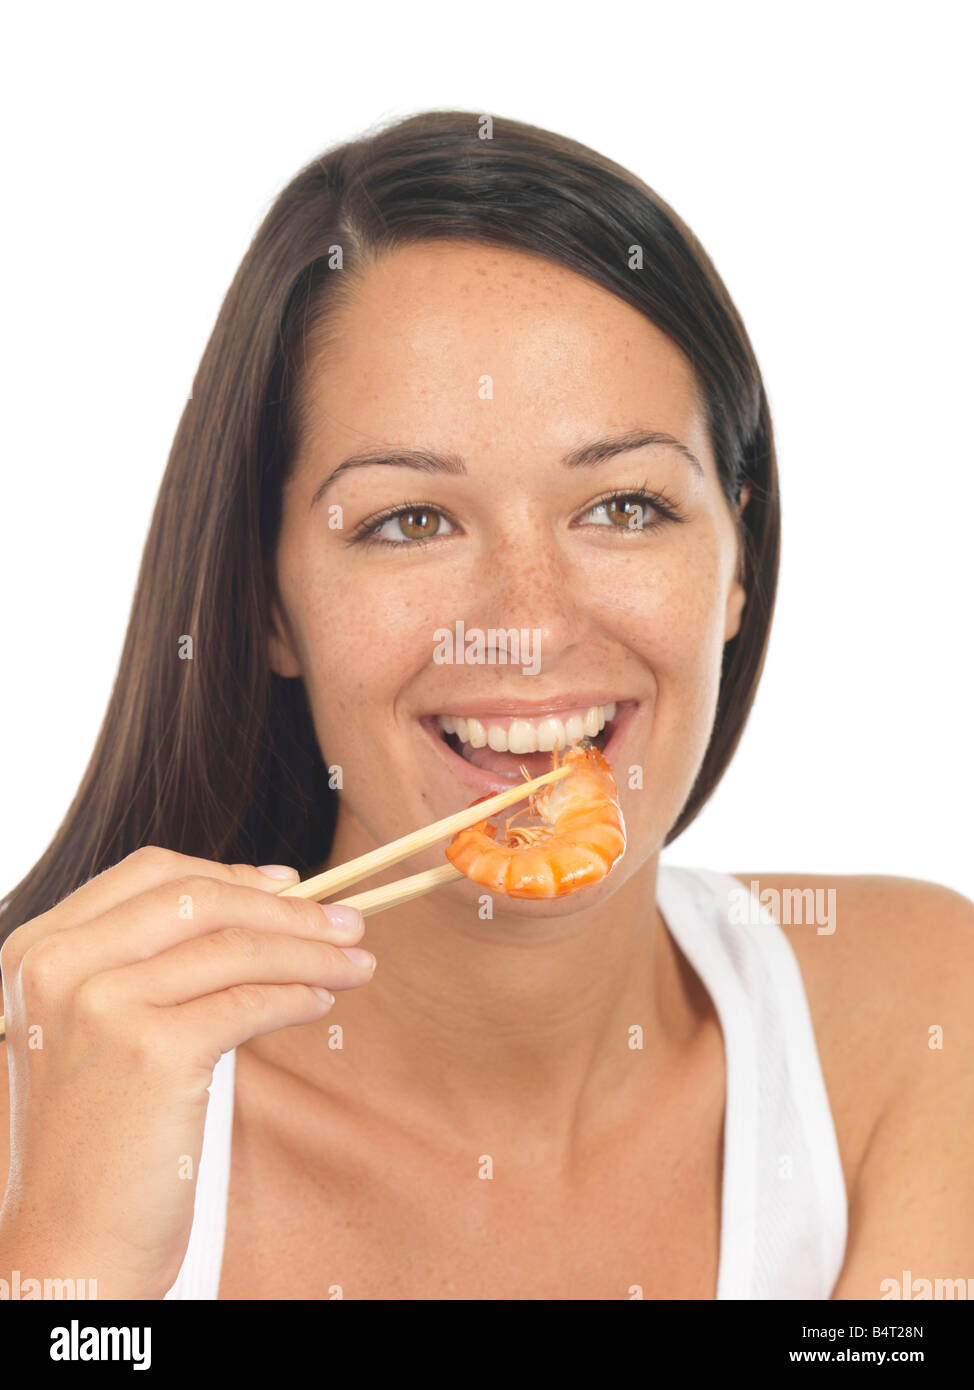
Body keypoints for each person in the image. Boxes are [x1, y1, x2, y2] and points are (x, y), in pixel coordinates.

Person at [1, 111, 971, 1301]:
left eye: (622, 506)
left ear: (735, 562)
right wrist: (67, 1277)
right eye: (410, 520)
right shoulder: (45, 1098)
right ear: (266, 603)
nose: (526, 621)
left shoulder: (921, 1012)